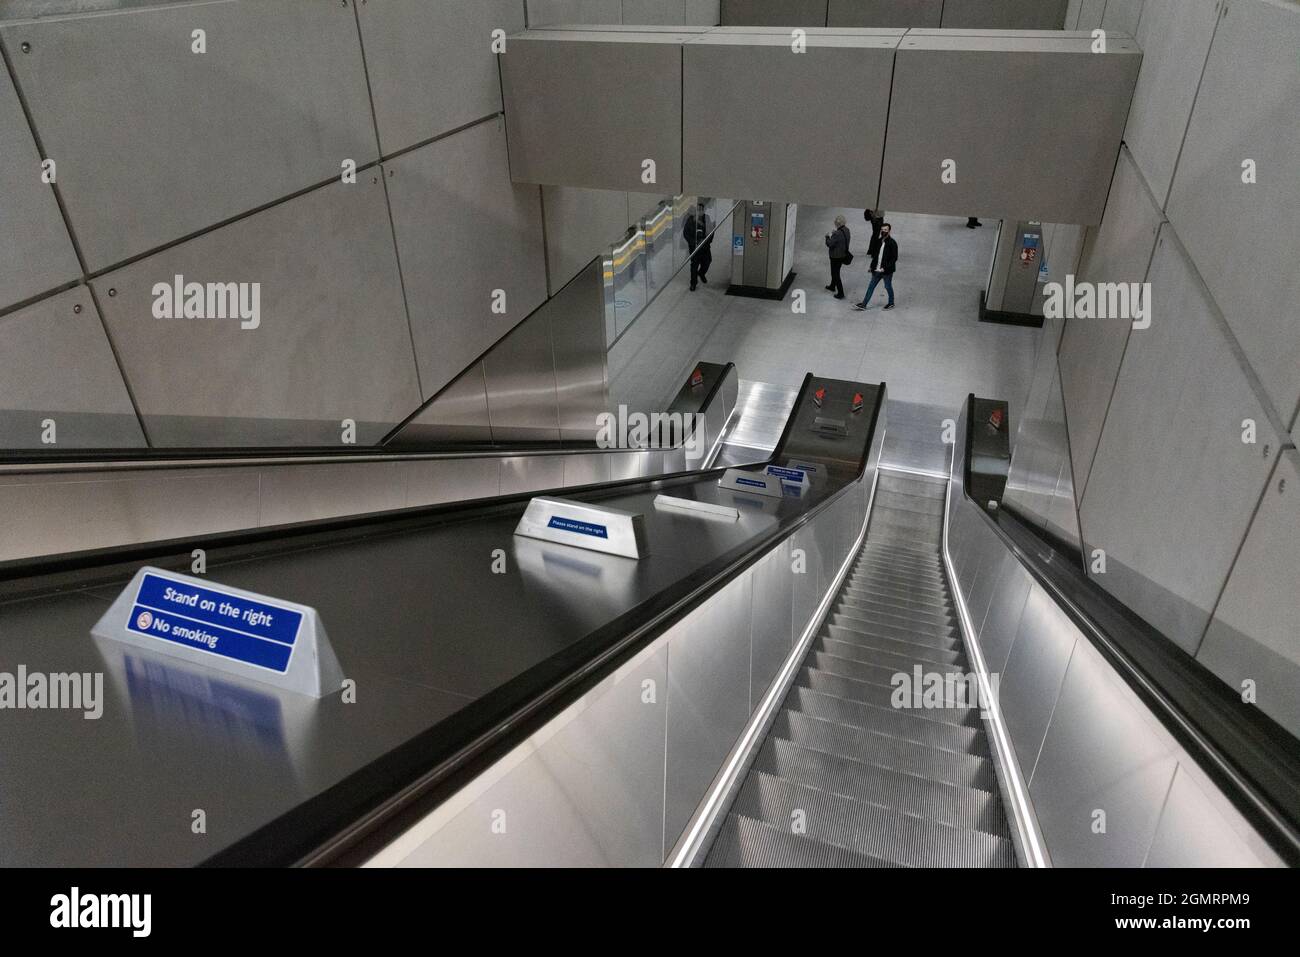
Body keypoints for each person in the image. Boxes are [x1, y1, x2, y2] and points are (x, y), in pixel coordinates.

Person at [853, 221, 898, 311]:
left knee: (888, 286)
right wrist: (871, 266)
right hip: (876, 270)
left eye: (885, 230)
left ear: (889, 231)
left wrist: (884, 268)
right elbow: (875, 255)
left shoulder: (892, 243)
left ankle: (891, 303)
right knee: (871, 286)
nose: (883, 231)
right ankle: (864, 304)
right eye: (882, 230)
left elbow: (894, 258)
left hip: (886, 272)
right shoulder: (878, 241)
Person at [683, 203, 713, 291]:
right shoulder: (690, 220)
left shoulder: (706, 218)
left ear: (703, 211)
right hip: (694, 247)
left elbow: (711, 231)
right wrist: (693, 242)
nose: (700, 211)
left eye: (701, 210)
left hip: (705, 247)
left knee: (707, 261)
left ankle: (701, 273)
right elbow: (686, 233)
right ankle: (693, 283)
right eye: (698, 209)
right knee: (694, 266)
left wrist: (706, 241)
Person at [824, 214, 851, 300]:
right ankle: (832, 285)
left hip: (835, 256)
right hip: (843, 254)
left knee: (835, 274)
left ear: (837, 223)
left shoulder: (837, 234)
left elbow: (830, 244)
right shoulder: (847, 230)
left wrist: (827, 237)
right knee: (836, 271)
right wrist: (835, 234)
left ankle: (841, 293)